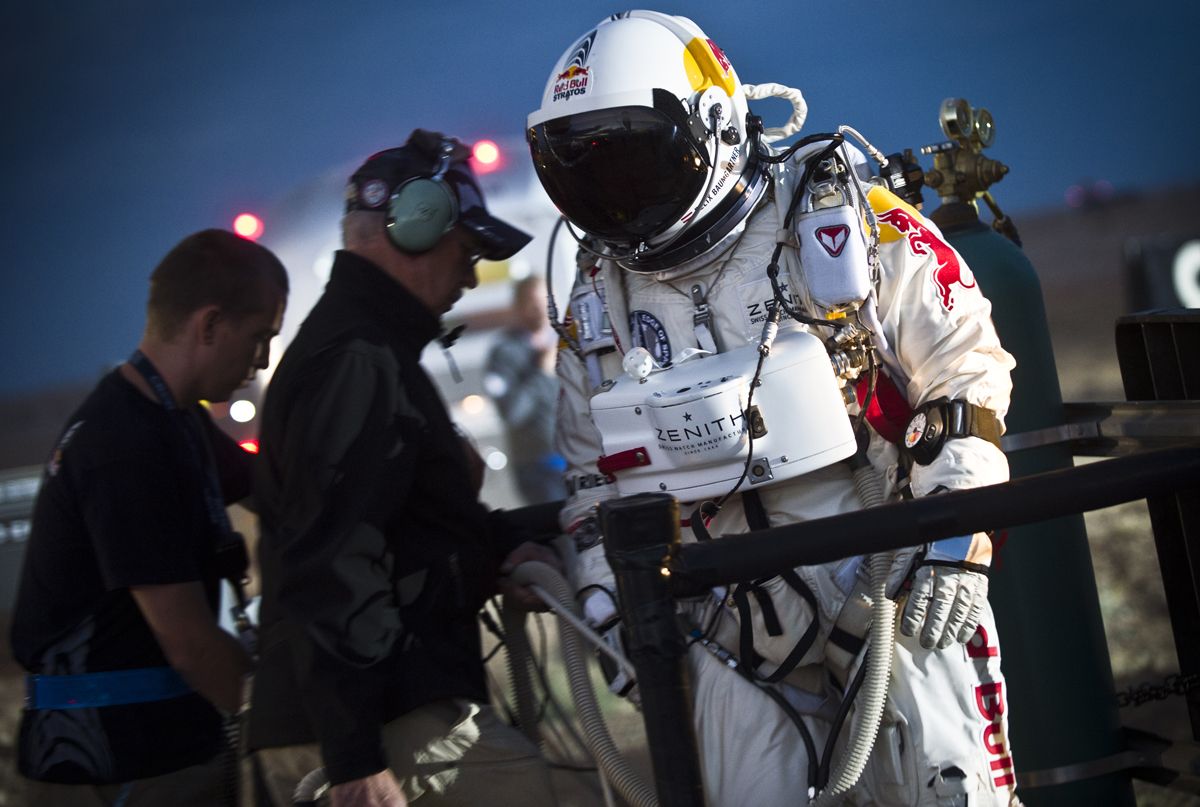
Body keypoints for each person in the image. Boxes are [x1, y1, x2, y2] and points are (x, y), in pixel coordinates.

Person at [527, 10, 1021, 806]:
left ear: (713, 126)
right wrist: (608, 598)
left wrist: (957, 530)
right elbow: (594, 474)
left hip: (893, 577)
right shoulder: (600, 295)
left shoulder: (843, 221)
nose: (618, 203)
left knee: (951, 796)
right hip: (729, 624)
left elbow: (966, 374)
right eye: (592, 178)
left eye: (635, 168)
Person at [246, 129, 560, 807]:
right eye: (466, 251)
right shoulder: (356, 363)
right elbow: (334, 561)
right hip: (380, 724)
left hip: (379, 710)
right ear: (415, 229)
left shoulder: (367, 350)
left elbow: (402, 530)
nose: (472, 275)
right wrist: (354, 757)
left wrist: (503, 546)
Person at [10, 229, 288, 806]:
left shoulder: (174, 419)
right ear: (209, 325)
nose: (260, 361)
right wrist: (297, 726)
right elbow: (187, 642)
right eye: (259, 337)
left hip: (157, 750)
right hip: (114, 771)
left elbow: (277, 491)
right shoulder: (125, 445)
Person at [482, 275, 565, 505]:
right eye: (531, 301)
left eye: (545, 299)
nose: (540, 307)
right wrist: (540, 372)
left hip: (581, 457)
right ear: (518, 306)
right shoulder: (505, 352)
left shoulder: (568, 341)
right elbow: (512, 413)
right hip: (540, 467)